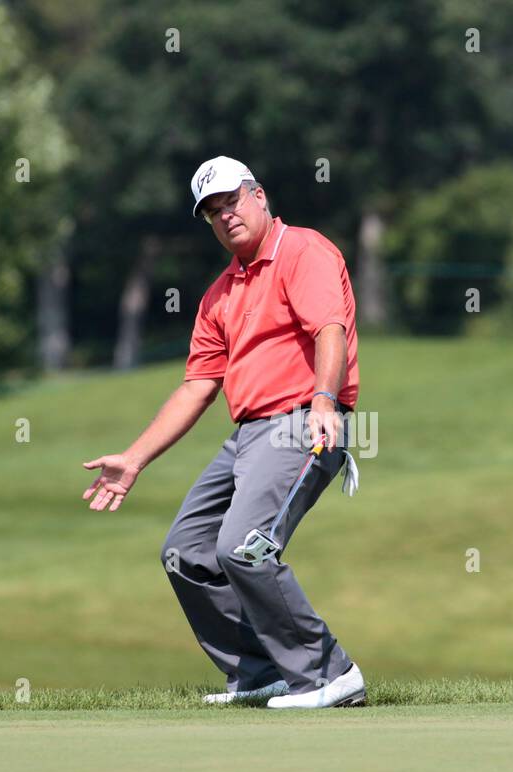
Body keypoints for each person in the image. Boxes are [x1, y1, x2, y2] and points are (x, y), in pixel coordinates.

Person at [81, 156, 365, 708]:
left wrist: (325, 401)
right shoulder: (220, 295)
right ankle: (260, 673)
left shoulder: (303, 251)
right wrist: (135, 459)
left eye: (231, 201)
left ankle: (329, 673)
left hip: (301, 424)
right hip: (247, 435)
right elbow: (196, 387)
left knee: (244, 547)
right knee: (185, 552)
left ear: (258, 195)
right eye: (211, 211)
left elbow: (329, 328)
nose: (224, 215)